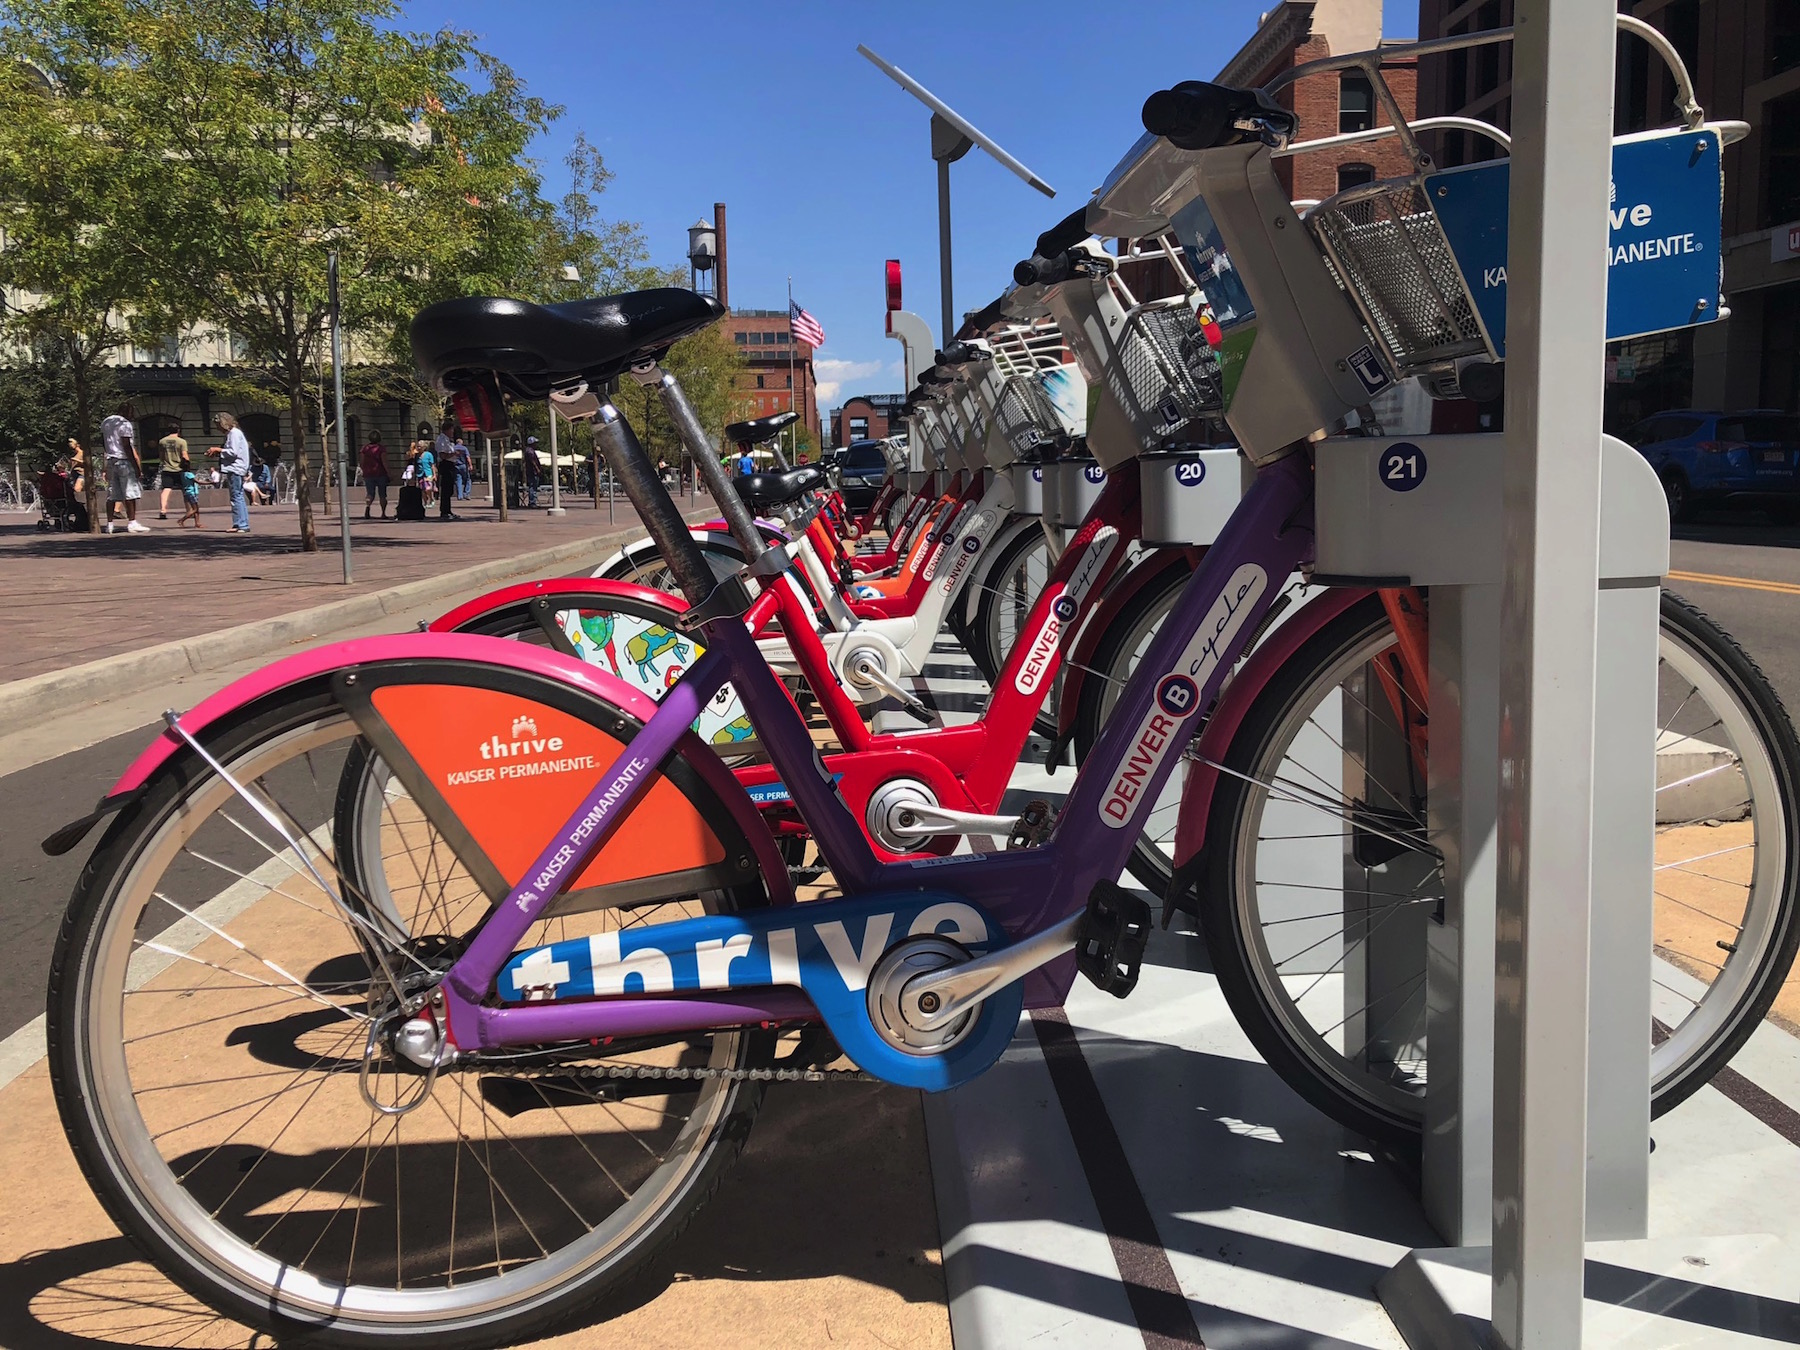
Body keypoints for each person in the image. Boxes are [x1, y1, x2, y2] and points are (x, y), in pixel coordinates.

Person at [99, 405, 150, 533]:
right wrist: (135, 466)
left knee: (111, 493)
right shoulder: (124, 424)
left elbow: (103, 440)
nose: (132, 416)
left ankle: (109, 523)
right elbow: (126, 445)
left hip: (111, 459)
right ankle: (132, 522)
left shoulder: (107, 421)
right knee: (130, 492)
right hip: (124, 460)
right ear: (125, 412)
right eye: (131, 412)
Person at [207, 411, 252, 533]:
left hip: (235, 468)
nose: (217, 428)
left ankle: (241, 524)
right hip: (236, 468)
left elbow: (233, 452)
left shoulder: (234, 433)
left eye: (217, 425)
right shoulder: (234, 433)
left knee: (236, 497)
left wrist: (217, 449)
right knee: (238, 496)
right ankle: (240, 523)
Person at [155, 427, 189, 520]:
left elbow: (161, 456)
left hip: (167, 469)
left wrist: (165, 462)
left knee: (166, 489)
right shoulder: (182, 441)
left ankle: (163, 510)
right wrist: (187, 466)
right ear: (178, 431)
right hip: (180, 469)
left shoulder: (162, 441)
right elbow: (185, 456)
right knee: (185, 490)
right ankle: (189, 510)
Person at [359, 430, 390, 518]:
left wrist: (364, 469)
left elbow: (361, 462)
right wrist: (389, 473)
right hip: (380, 473)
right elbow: (384, 462)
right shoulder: (381, 448)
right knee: (382, 494)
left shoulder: (364, 448)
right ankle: (383, 513)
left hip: (368, 474)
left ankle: (368, 507)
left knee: (370, 493)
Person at [521, 435, 542, 507]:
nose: (536, 444)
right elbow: (532, 461)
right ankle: (532, 502)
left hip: (531, 472)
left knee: (532, 486)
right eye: (535, 443)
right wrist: (537, 469)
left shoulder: (528, 451)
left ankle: (532, 501)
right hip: (533, 472)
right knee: (533, 487)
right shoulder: (530, 452)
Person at [178, 462, 201, 528]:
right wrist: (210, 482)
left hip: (187, 492)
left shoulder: (182, 474)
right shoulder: (189, 474)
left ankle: (197, 523)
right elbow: (198, 482)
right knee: (195, 509)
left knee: (196, 509)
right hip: (192, 493)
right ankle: (181, 520)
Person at [416, 437, 437, 509]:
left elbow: (432, 465)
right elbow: (416, 465)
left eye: (420, 446)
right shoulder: (417, 455)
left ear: (424, 447)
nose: (418, 448)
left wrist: (434, 474)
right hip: (420, 474)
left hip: (428, 473)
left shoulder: (429, 454)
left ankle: (431, 499)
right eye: (417, 446)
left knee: (428, 488)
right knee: (422, 490)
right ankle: (425, 502)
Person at [452, 432, 473, 500]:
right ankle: (466, 494)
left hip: (456, 466)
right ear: (461, 442)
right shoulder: (464, 448)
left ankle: (459, 496)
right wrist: (470, 465)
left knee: (458, 480)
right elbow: (467, 457)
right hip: (464, 465)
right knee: (468, 479)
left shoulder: (453, 448)